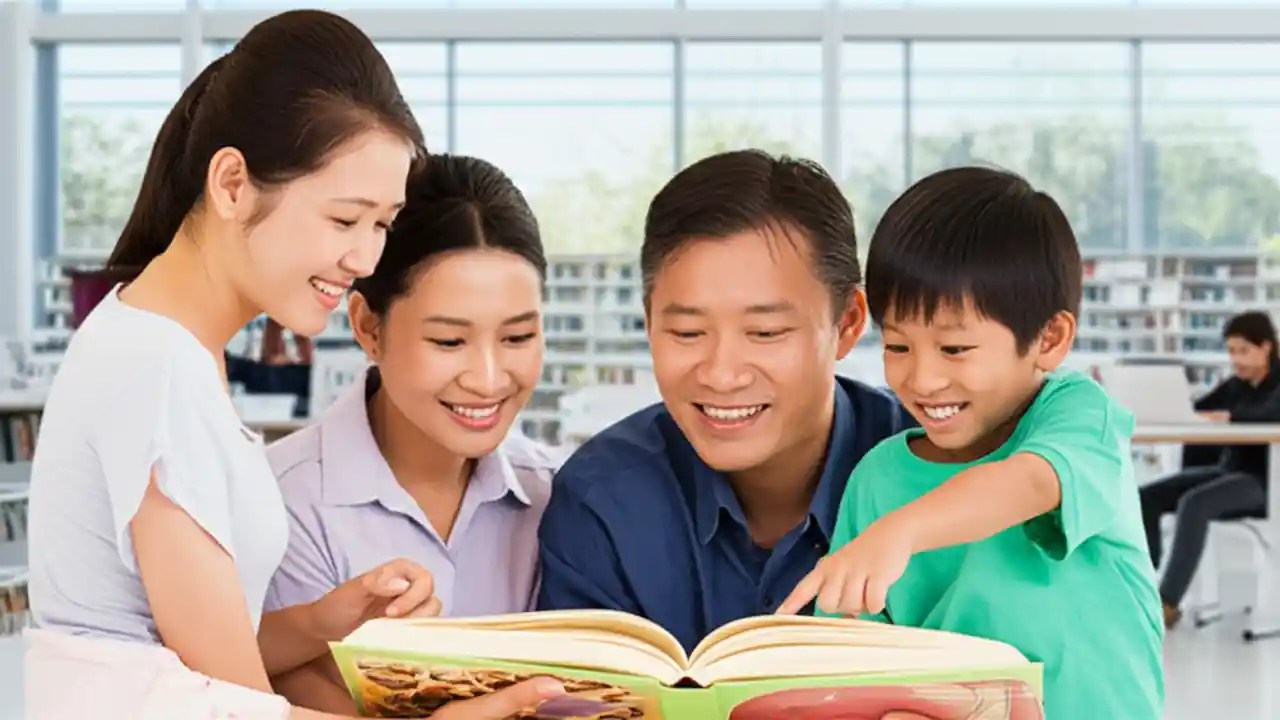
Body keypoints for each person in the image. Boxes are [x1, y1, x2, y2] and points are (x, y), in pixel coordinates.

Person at [23, 11, 562, 720]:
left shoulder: (160, 345)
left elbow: (180, 649)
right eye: (344, 220)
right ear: (232, 183)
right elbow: (226, 702)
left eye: (382, 225)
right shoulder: (156, 368)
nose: (365, 259)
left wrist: (321, 622)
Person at [777, 166, 1164, 720]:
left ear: (1048, 339)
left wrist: (903, 530)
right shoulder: (879, 478)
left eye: (955, 349)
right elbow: (854, 660)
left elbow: (1027, 482)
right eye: (899, 346)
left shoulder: (1078, 414)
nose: (922, 379)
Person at [536, 149, 916, 653]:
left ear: (846, 324)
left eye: (765, 331)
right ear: (649, 321)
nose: (721, 374)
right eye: (688, 332)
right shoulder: (601, 500)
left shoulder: (943, 467)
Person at [264, 154, 559, 713]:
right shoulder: (283, 501)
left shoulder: (556, 494)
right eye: (449, 342)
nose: (489, 379)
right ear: (368, 328)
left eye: (518, 337)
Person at [1141, 310, 1280, 629]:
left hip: (1265, 483)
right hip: (1228, 472)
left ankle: (1168, 603)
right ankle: (1144, 588)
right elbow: (1197, 410)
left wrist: (1229, 416)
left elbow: (1266, 416)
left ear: (1266, 347)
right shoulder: (1236, 384)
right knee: (1148, 496)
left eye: (1243, 350)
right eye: (1231, 351)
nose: (1236, 359)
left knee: (1194, 503)